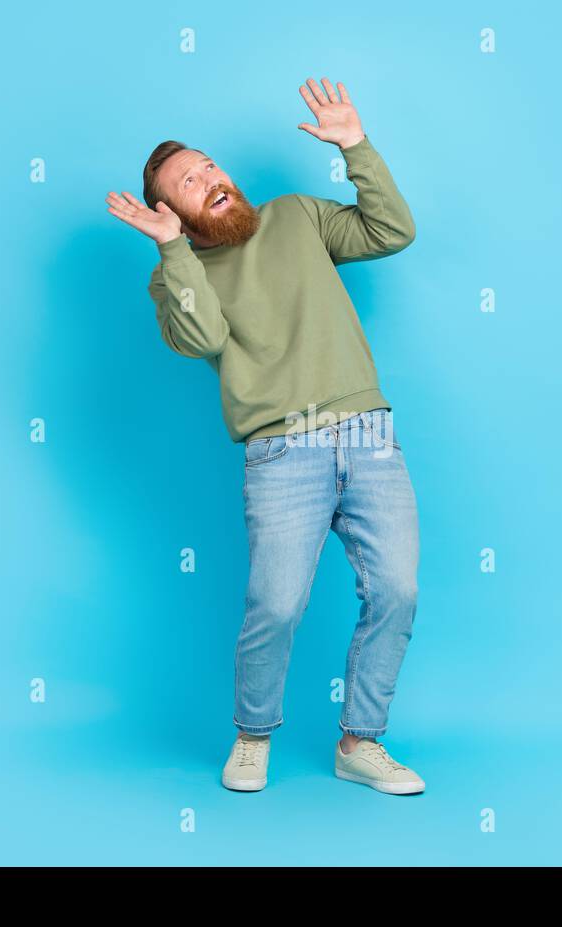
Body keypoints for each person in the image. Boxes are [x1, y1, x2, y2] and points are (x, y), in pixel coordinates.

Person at [106, 77, 424, 796]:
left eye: (209, 165)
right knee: (276, 605)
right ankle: (253, 736)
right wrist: (173, 254)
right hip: (282, 451)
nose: (209, 177)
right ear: (173, 214)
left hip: (367, 433)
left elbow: (392, 231)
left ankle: (362, 742)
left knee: (398, 592)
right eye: (188, 182)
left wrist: (355, 146)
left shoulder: (295, 217)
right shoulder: (176, 274)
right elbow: (203, 339)